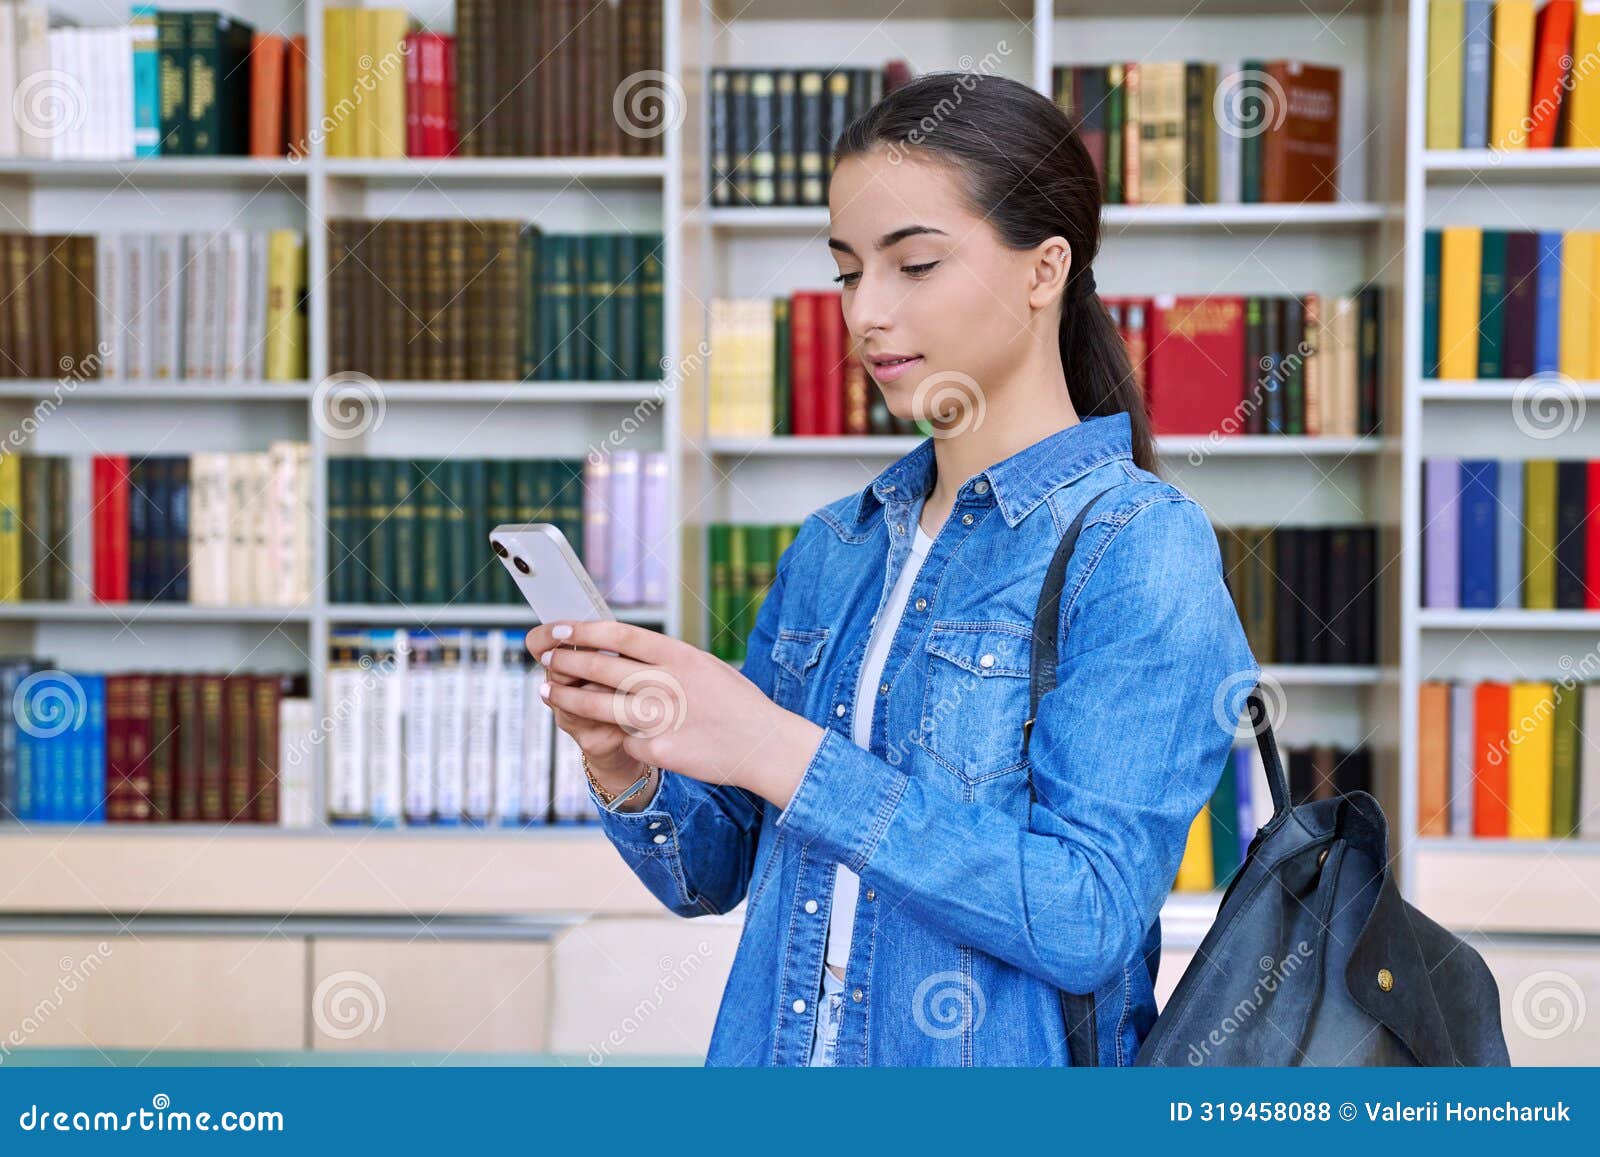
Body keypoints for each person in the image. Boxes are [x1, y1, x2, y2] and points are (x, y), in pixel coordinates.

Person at [526, 70, 1259, 1067]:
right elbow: (717, 868)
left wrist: (780, 750)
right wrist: (625, 758)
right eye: (845, 271)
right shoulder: (836, 544)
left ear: (1044, 270)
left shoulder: (1136, 545)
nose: (865, 312)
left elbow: (1085, 918)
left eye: (913, 264)